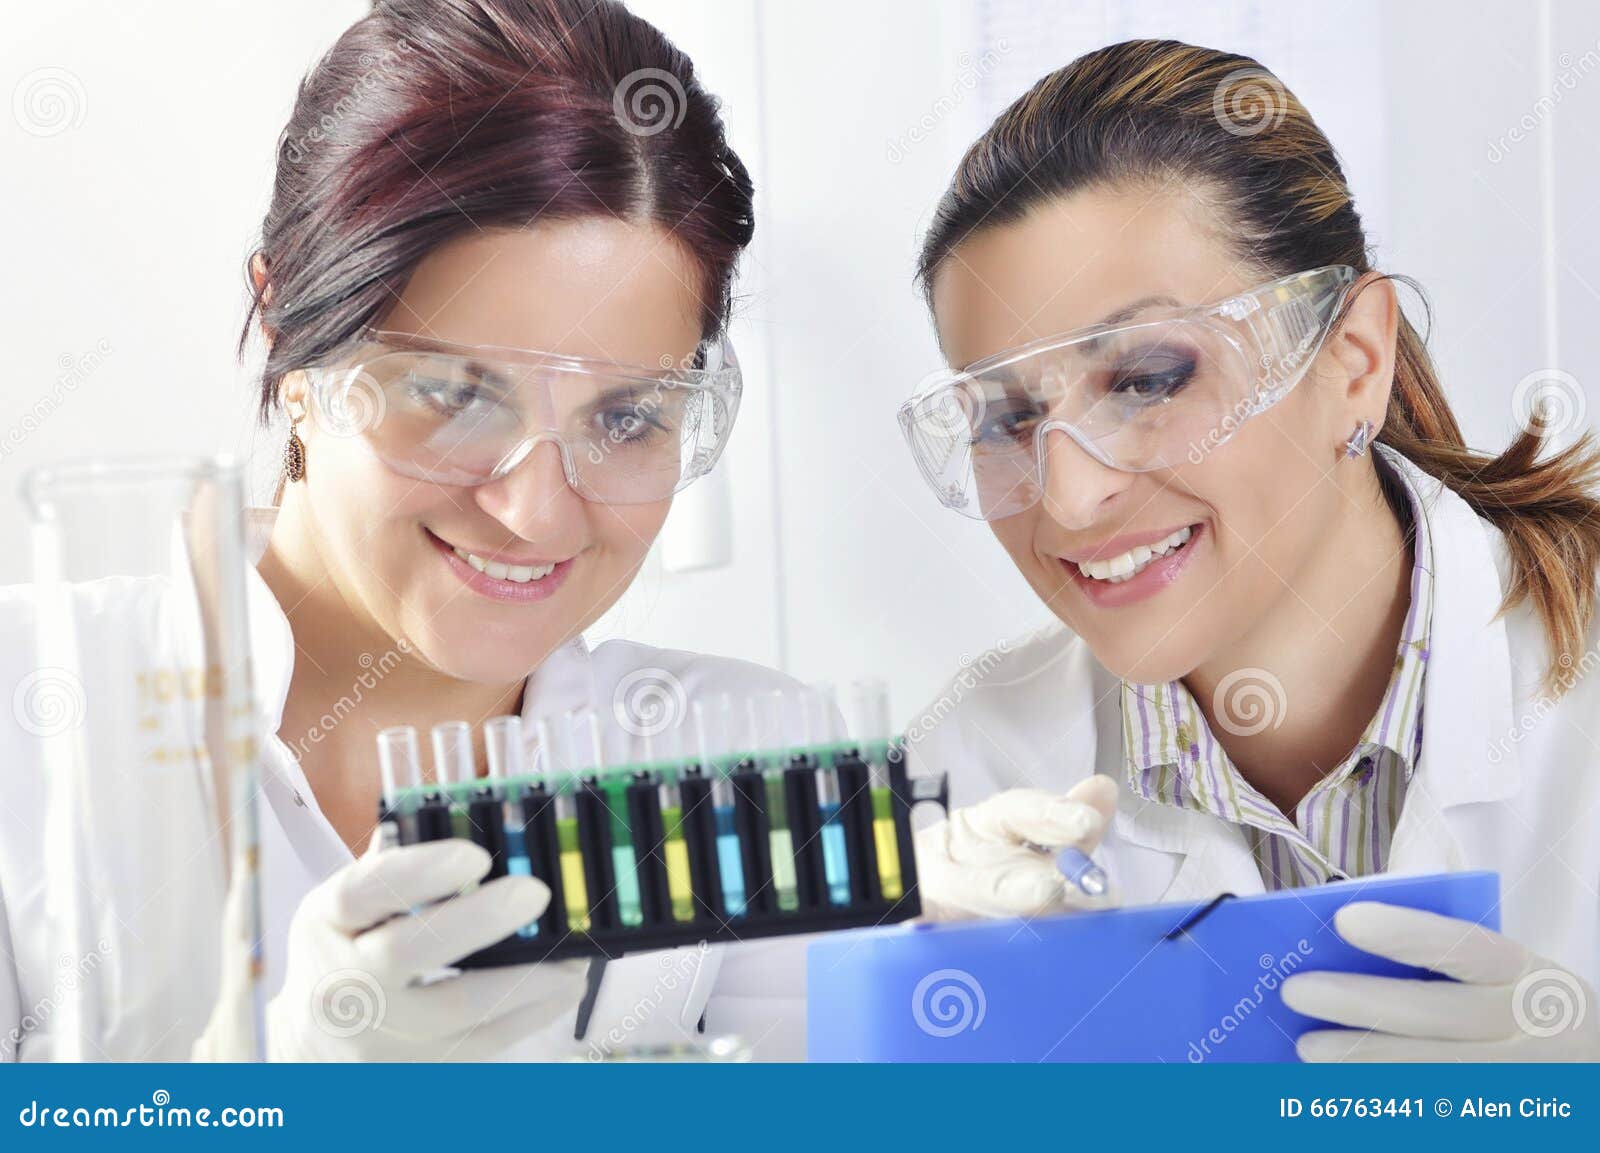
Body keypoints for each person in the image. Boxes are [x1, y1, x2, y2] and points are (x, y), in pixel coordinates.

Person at [0, 0, 810, 1062]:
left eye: (625, 418)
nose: (535, 513)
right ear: (291, 338)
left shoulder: (747, 761)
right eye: (454, 392)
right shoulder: (32, 710)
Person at [899, 39, 1600, 1061]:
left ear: (1354, 361)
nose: (1070, 496)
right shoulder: (965, 776)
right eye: (1005, 417)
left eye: (1145, 377)